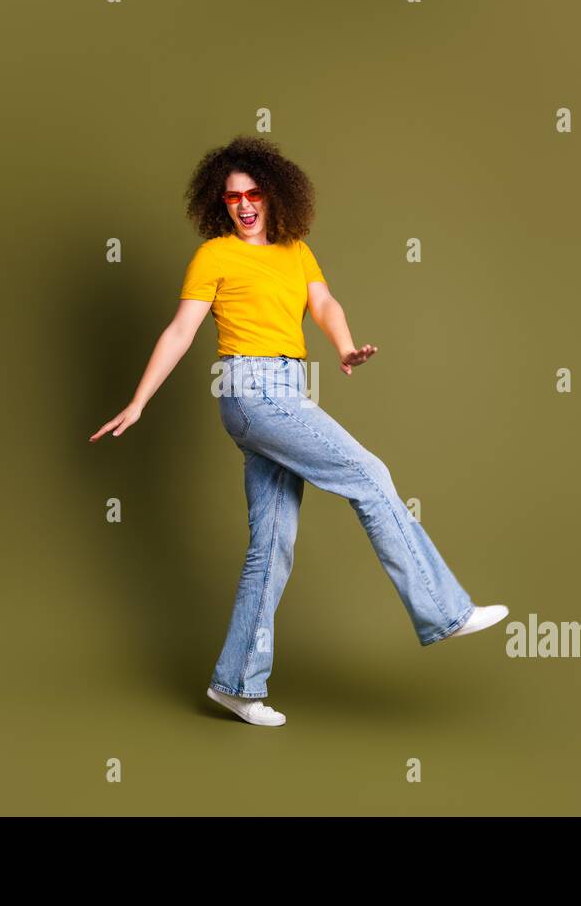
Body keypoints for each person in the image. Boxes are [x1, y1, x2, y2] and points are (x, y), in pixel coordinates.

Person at [90, 135, 508, 726]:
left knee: (271, 546)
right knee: (369, 473)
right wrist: (139, 401)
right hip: (249, 391)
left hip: (286, 390)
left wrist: (342, 347)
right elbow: (181, 330)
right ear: (221, 203)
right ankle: (443, 610)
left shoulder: (295, 251)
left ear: (274, 194)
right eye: (233, 196)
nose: (244, 204)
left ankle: (236, 683)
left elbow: (325, 303)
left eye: (254, 192)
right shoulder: (214, 255)